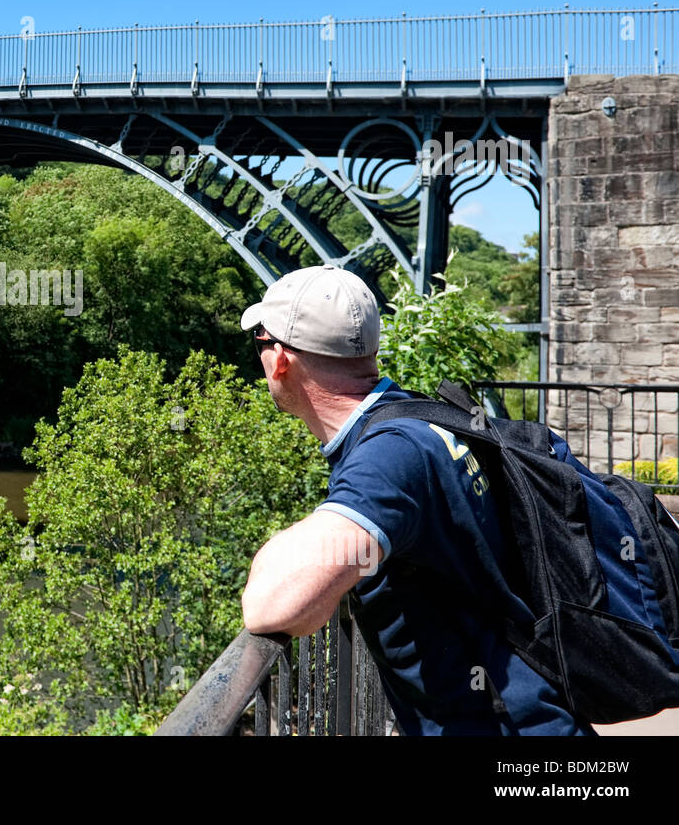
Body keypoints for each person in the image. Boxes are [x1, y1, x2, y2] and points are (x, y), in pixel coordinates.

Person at [238, 264, 597, 735]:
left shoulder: (389, 456)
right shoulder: (423, 419)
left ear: (280, 359)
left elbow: (273, 606)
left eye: (261, 341)